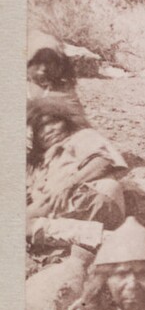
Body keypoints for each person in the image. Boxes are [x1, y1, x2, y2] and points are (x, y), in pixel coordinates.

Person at [27, 95, 127, 232]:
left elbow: (102, 162)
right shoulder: (39, 162)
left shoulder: (80, 137)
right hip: (62, 209)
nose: (48, 130)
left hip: (93, 198)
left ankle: (95, 237)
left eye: (53, 122)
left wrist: (68, 185)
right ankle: (93, 238)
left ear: (66, 121)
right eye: (40, 128)